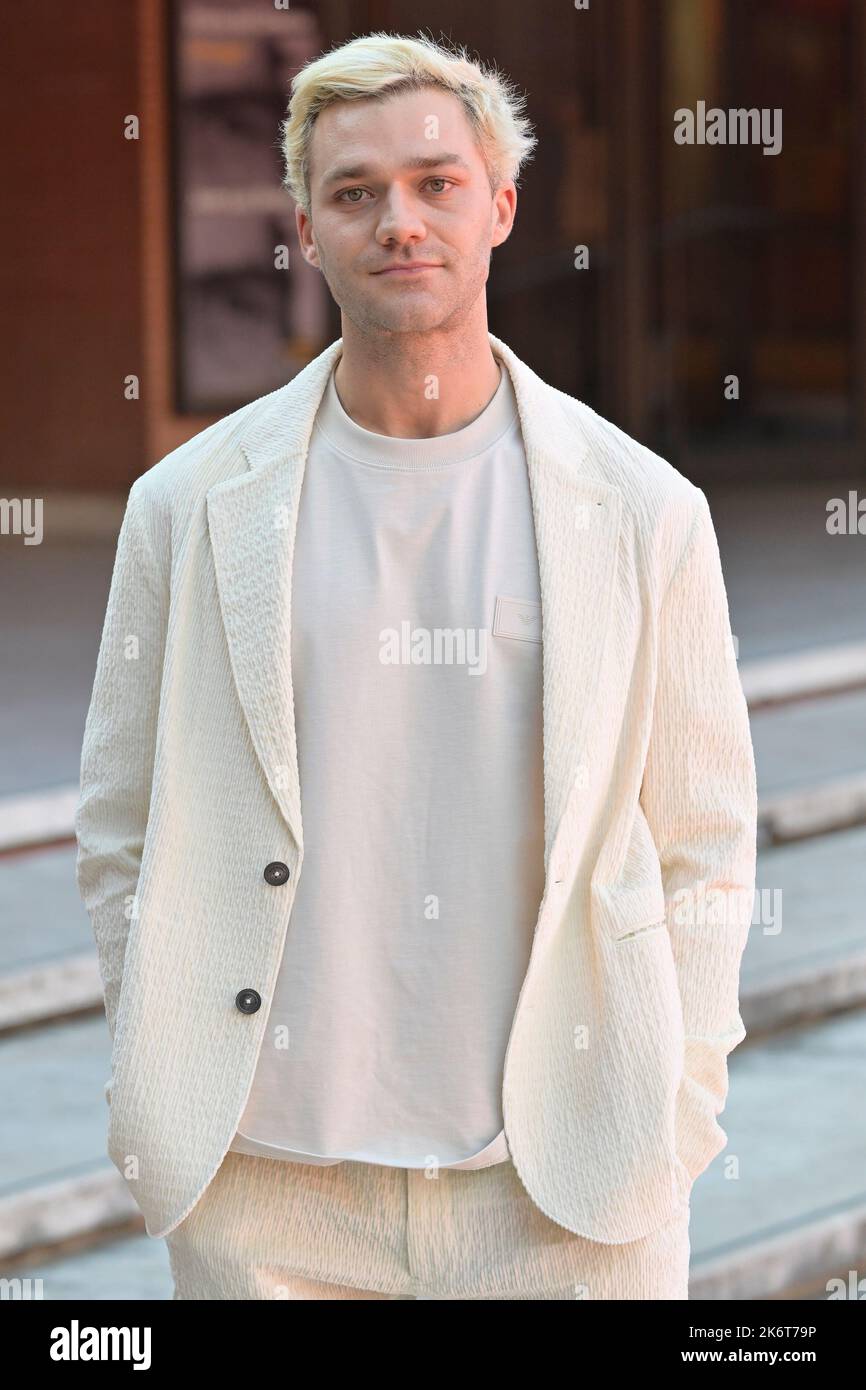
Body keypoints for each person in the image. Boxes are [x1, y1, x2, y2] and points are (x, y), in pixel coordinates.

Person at [74, 31, 757, 1301]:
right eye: (355, 193)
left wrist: (679, 1106)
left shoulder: (642, 507)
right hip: (265, 1188)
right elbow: (120, 822)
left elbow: (703, 841)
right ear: (305, 228)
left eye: (436, 182)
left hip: (564, 1191)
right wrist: (154, 1059)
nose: (399, 220)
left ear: (500, 205)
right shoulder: (187, 504)